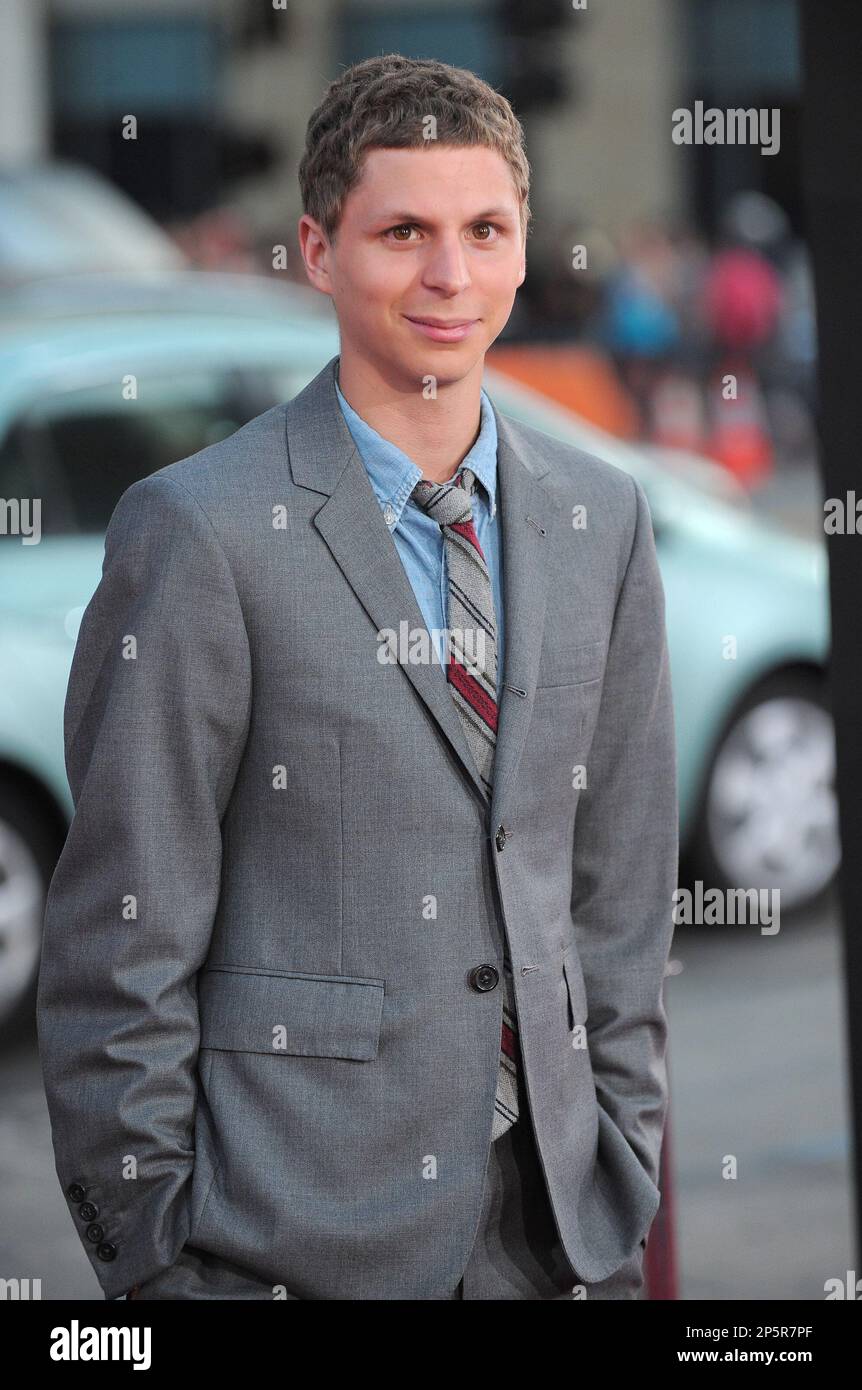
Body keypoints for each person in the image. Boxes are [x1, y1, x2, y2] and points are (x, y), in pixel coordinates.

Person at [36, 53, 677, 1301]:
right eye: (404, 232)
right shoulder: (199, 530)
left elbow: (619, 894)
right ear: (320, 251)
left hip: (552, 1238)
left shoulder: (604, 519)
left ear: (522, 242)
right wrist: (155, 1264)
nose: (451, 275)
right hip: (287, 1240)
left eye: (483, 230)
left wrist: (623, 1150)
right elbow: (119, 938)